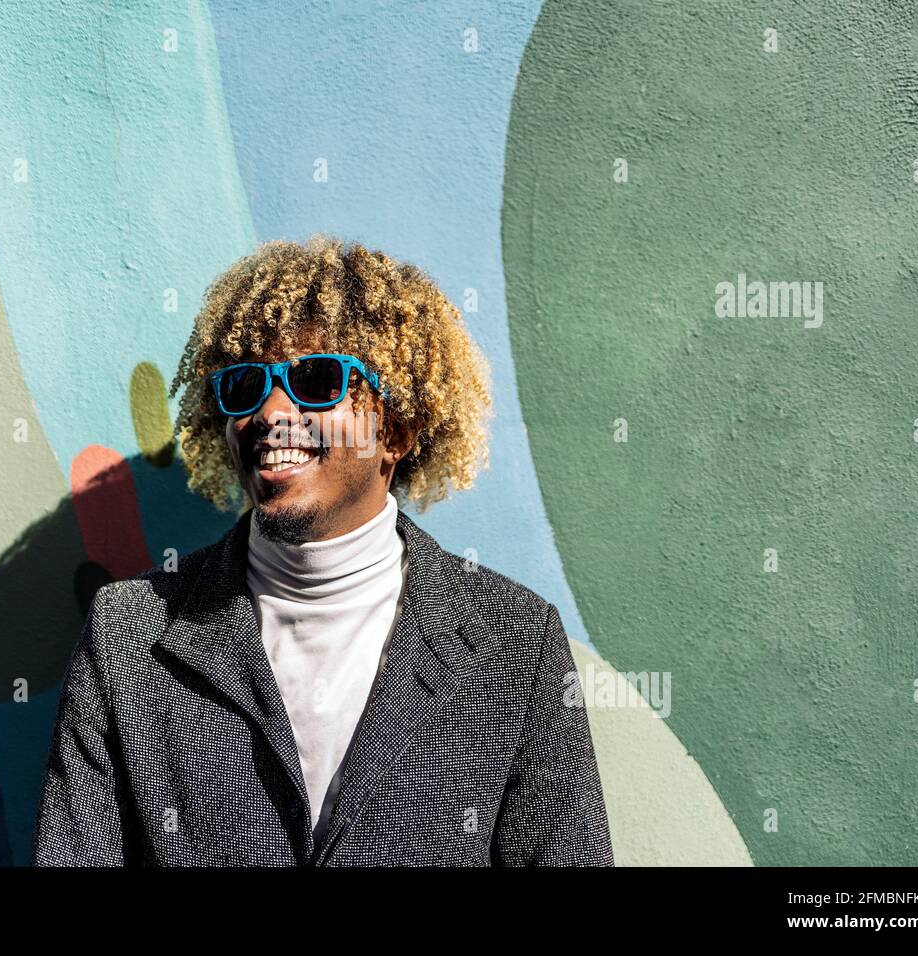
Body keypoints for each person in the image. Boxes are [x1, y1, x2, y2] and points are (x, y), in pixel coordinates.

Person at [32, 234, 613, 866]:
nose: (271, 410)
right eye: (245, 385)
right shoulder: (128, 636)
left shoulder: (515, 644)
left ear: (396, 430)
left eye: (317, 379)